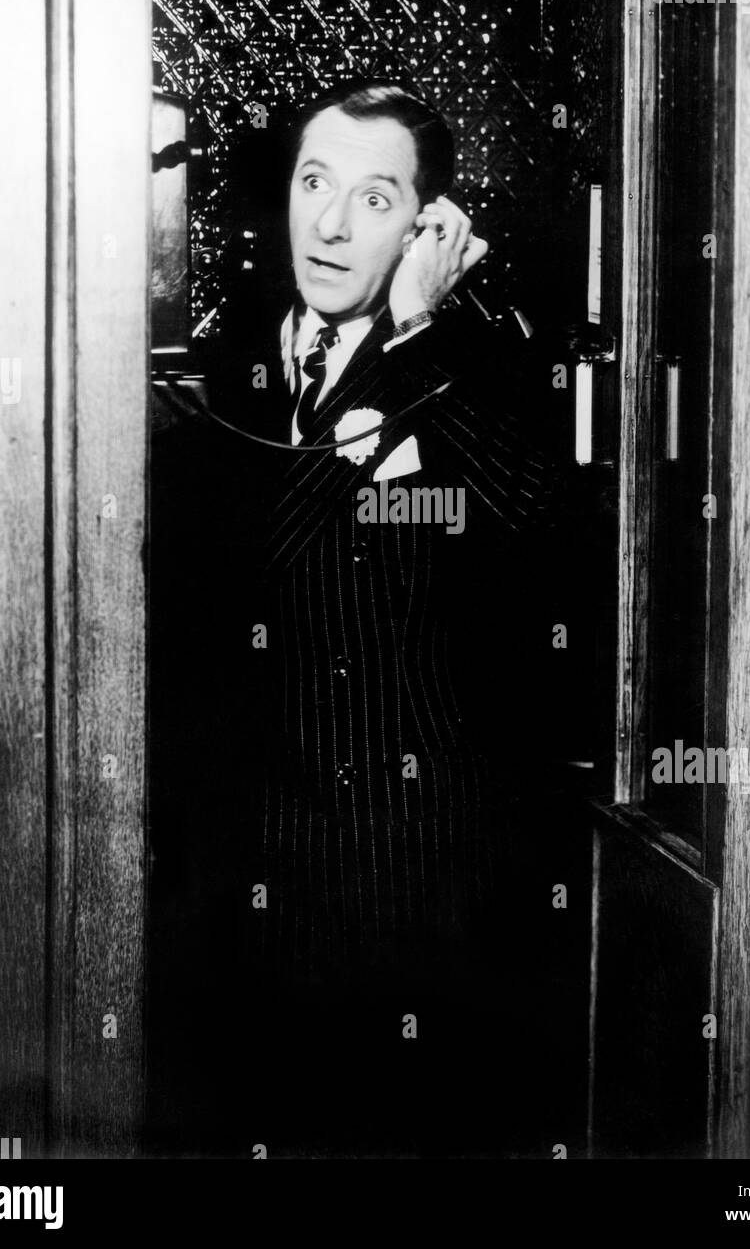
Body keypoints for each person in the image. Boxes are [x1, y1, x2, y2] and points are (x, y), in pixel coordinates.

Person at [148, 81, 571, 1156]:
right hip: (248, 854)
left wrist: (417, 336)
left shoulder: (480, 364)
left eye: (374, 198)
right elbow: (208, 588)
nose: (329, 225)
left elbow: (531, 528)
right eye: (312, 182)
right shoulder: (219, 370)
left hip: (411, 860)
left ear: (430, 226)